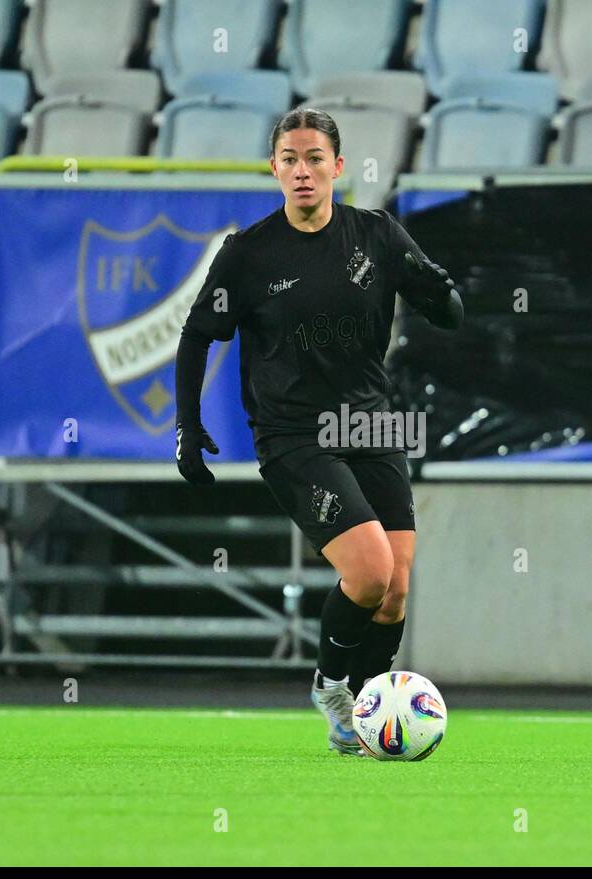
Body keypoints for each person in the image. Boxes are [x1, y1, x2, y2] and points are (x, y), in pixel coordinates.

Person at [174, 107, 463, 755]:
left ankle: (369, 712)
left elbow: (447, 312)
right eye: (288, 159)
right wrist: (187, 428)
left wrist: (443, 295)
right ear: (273, 169)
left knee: (395, 589)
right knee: (368, 573)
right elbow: (197, 336)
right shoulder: (249, 254)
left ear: (338, 166)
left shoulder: (378, 236)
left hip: (370, 424)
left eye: (313, 158)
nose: (301, 170)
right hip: (293, 435)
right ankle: (333, 688)